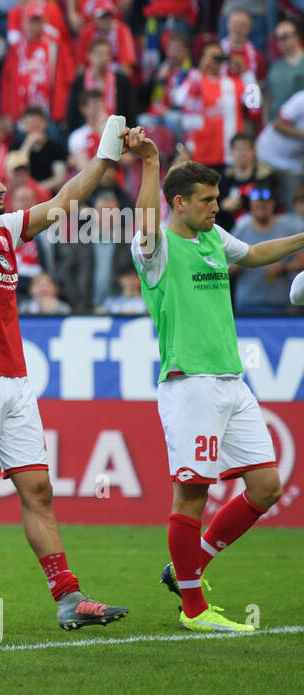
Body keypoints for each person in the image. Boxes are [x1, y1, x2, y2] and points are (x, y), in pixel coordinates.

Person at [0, 70, 128, 631]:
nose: (0, 188)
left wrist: (107, 152)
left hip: (14, 379)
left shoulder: (3, 231)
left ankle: (68, 596)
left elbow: (66, 199)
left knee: (37, 488)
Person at [130, 136, 298, 631]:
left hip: (232, 381)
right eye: (207, 200)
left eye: (216, 199)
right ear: (178, 202)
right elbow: (144, 219)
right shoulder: (155, 247)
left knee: (266, 487)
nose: (215, 208)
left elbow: (256, 254)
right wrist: (150, 162)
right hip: (190, 384)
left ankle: (189, 570)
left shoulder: (212, 237)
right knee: (192, 496)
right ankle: (193, 609)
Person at [229, 182, 304, 314]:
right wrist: (243, 261)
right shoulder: (242, 226)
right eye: (258, 204)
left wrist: (284, 268)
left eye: (266, 203)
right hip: (247, 302)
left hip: (280, 303)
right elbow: (225, 266)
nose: (262, 207)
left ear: (273, 204)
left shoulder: (289, 226)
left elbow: (302, 262)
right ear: (251, 205)